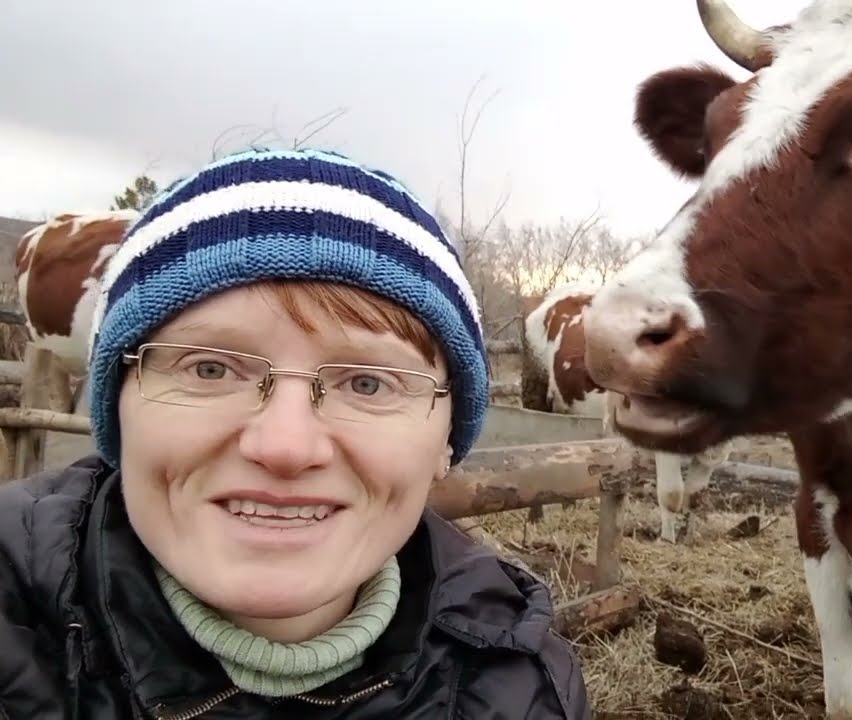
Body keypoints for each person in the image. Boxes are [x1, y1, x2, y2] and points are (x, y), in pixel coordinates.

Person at [0, 147, 592, 718]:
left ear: (445, 440)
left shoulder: (521, 687)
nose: (285, 446)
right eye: (210, 369)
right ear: (116, 410)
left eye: (367, 384)